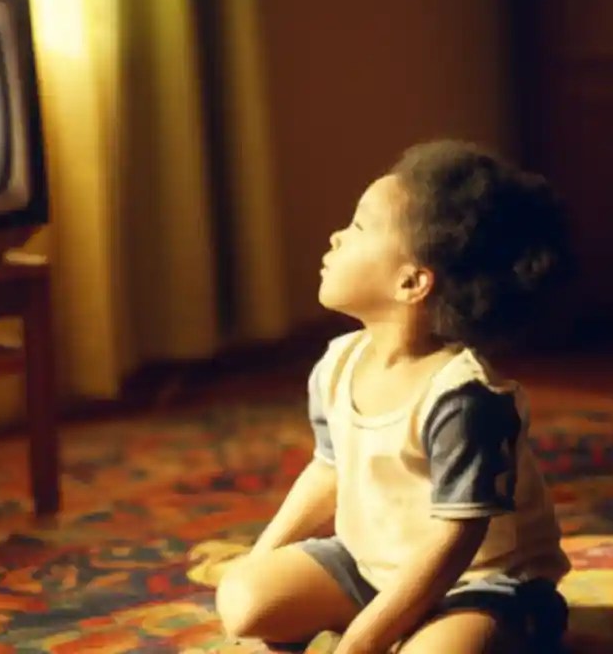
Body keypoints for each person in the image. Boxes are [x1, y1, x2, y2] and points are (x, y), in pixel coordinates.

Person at [215, 140, 574, 653]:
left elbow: (457, 539)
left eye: (358, 227)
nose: (336, 237)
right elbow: (329, 470)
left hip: (478, 581)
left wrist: (362, 642)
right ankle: (395, 615)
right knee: (245, 600)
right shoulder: (338, 363)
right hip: (370, 564)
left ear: (411, 282)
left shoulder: (466, 398)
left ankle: (512, 626)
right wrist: (260, 557)